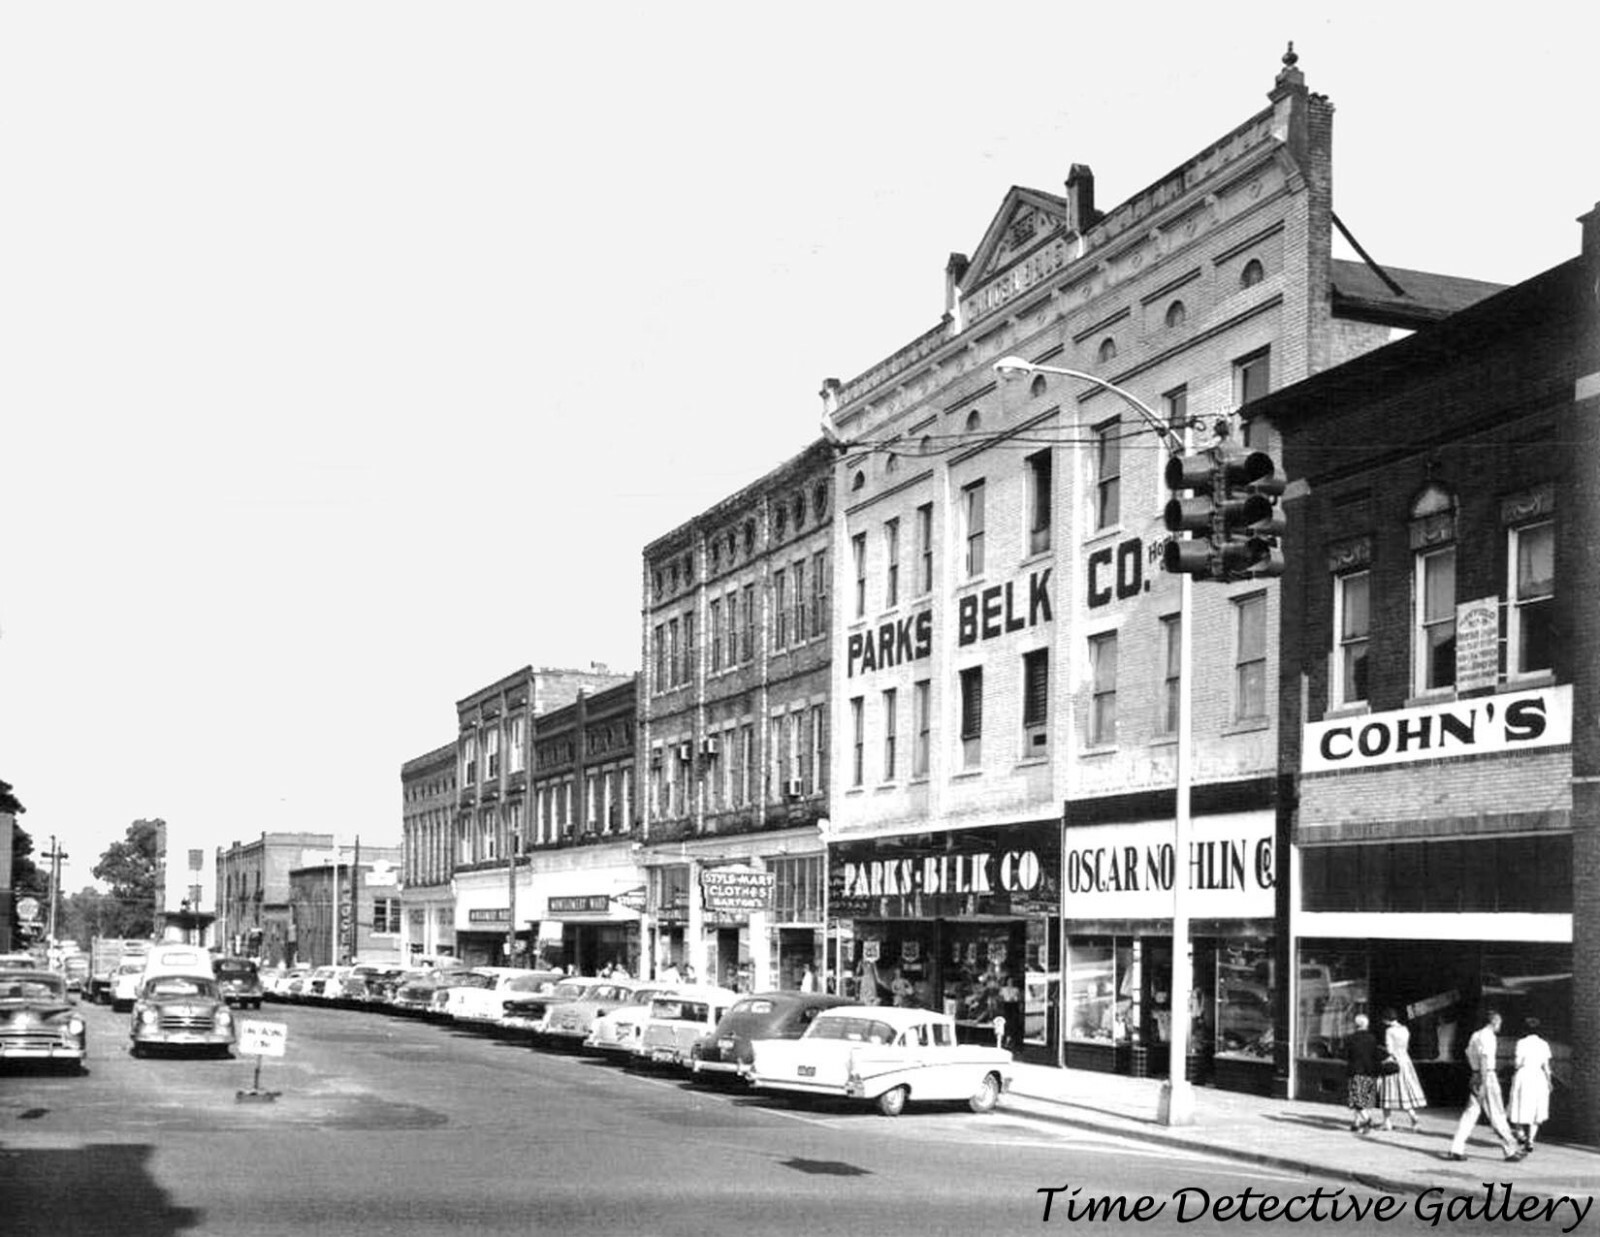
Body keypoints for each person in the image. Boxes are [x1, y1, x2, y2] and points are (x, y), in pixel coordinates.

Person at [1447, 1008, 1525, 1162]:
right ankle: (1510, 1150)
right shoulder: (1488, 1037)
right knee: (1497, 1114)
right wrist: (1482, 1081)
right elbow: (1484, 1059)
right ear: (1494, 1022)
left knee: (1470, 1114)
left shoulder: (1475, 1035)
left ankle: (1456, 1148)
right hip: (1487, 1076)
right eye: (1499, 1022)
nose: (1500, 1025)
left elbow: (1469, 1053)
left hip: (1476, 1074)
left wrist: (1475, 1075)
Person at [1508, 1017, 1552, 1153]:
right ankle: (1531, 1141)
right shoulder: (1544, 1044)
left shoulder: (1521, 1043)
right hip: (1538, 1077)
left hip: (1524, 1075)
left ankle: (1520, 1134)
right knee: (1536, 1108)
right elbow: (1546, 1066)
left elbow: (1517, 1063)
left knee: (1518, 1104)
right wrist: (1549, 1081)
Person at [1378, 1007, 1427, 1131]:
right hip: (1405, 1060)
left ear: (1386, 1019)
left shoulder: (1389, 1031)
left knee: (1388, 1089)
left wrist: (1383, 1051)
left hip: (1393, 1061)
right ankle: (1413, 1116)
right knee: (1405, 1090)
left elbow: (1389, 1048)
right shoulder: (1405, 1029)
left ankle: (1387, 1122)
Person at [1344, 1012, 1382, 1133]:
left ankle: (1367, 1120)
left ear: (1356, 1025)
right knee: (1364, 1099)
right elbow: (1375, 1055)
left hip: (1355, 1070)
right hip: (1369, 1071)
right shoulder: (1372, 1038)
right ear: (1367, 1024)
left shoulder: (1350, 1038)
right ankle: (1356, 1123)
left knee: (1356, 1099)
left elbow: (1346, 1055)